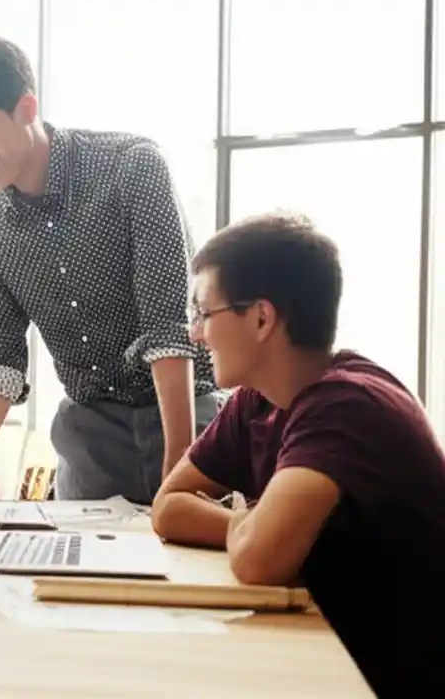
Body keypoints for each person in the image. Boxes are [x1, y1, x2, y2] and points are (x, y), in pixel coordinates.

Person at [151, 213, 445, 695]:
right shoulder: (257, 400)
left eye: (204, 313)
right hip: (340, 653)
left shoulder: (347, 405)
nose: (194, 333)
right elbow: (167, 506)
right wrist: (247, 521)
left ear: (262, 318)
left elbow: (258, 562)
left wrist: (252, 527)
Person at [0, 35, 219, 503]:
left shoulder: (132, 167)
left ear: (26, 108)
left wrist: (179, 466)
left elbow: (166, 326)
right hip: (90, 434)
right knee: (76, 571)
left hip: (189, 413)